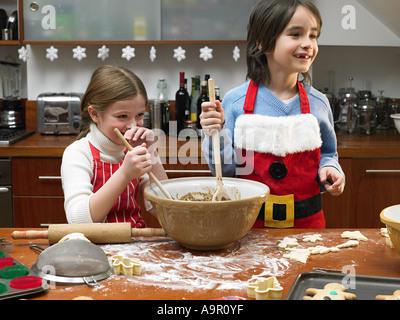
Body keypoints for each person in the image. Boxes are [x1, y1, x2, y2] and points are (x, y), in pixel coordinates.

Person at [200, 0, 345, 229]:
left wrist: (331, 169)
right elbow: (226, 171)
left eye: (313, 35)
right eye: (296, 34)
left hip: (308, 230)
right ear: (263, 43)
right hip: (247, 229)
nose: (308, 44)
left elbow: (328, 153)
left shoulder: (318, 103)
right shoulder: (235, 103)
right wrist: (213, 133)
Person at [61, 65, 167, 227]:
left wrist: (151, 152)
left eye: (139, 115)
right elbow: (79, 220)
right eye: (122, 116)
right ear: (95, 114)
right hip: (94, 247)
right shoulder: (78, 153)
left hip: (135, 243)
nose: (133, 125)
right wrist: (124, 174)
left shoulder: (133, 149)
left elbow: (164, 208)